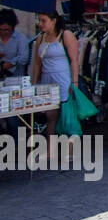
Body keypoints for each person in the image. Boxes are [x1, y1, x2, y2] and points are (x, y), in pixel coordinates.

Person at [29, 10, 80, 139]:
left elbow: (74, 60)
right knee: (50, 116)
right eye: (39, 20)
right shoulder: (41, 37)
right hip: (47, 82)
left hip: (64, 80)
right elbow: (37, 64)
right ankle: (50, 149)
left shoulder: (66, 35)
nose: (40, 24)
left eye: (43, 20)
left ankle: (70, 150)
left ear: (54, 21)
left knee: (68, 117)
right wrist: (33, 84)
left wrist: (74, 83)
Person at [0, 8, 29, 79]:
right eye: (0, 30)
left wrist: (8, 64)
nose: (3, 32)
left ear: (13, 27)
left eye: (6, 30)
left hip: (15, 78)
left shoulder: (20, 38)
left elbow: (23, 58)